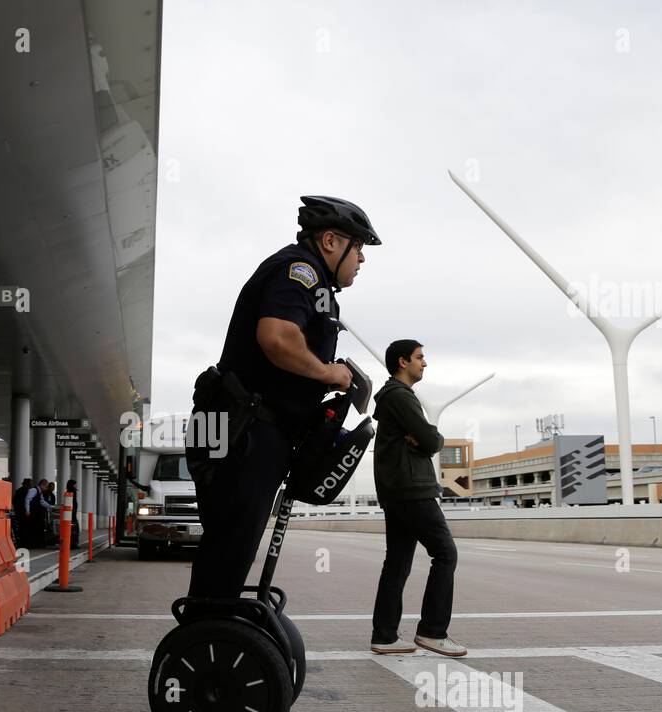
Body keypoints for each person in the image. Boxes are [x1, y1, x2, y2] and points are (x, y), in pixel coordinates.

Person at [187, 195, 380, 599]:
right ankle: (208, 641)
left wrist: (326, 380)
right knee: (229, 548)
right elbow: (277, 337)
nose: (361, 258)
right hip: (247, 429)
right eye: (358, 245)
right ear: (330, 240)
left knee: (232, 548)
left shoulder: (317, 284)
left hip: (252, 428)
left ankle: (215, 632)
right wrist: (330, 373)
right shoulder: (300, 271)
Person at [369, 340, 465, 657]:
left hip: (397, 489)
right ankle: (432, 631)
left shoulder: (393, 398)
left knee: (397, 564)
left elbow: (421, 438)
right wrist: (429, 438)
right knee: (445, 553)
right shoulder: (399, 395)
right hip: (412, 489)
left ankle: (384, 636)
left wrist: (423, 438)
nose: (425, 363)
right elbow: (430, 438)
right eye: (420, 357)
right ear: (402, 361)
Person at [11, 478, 33, 547]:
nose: (31, 485)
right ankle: (25, 543)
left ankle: (21, 543)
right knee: (25, 528)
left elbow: (14, 501)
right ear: (27, 484)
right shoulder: (27, 491)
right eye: (30, 483)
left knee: (21, 528)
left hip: (19, 512)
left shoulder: (18, 490)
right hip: (24, 512)